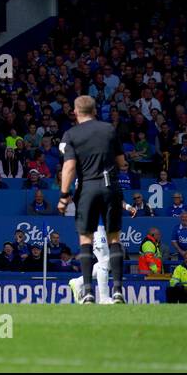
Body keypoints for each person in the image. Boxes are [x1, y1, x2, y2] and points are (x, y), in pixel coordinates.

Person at [57, 94, 128, 304]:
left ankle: (87, 292)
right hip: (110, 186)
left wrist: (63, 196)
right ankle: (117, 292)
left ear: (75, 112)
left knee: (85, 239)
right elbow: (122, 162)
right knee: (114, 238)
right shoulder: (108, 129)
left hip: (87, 187)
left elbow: (69, 166)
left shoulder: (71, 134)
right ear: (95, 111)